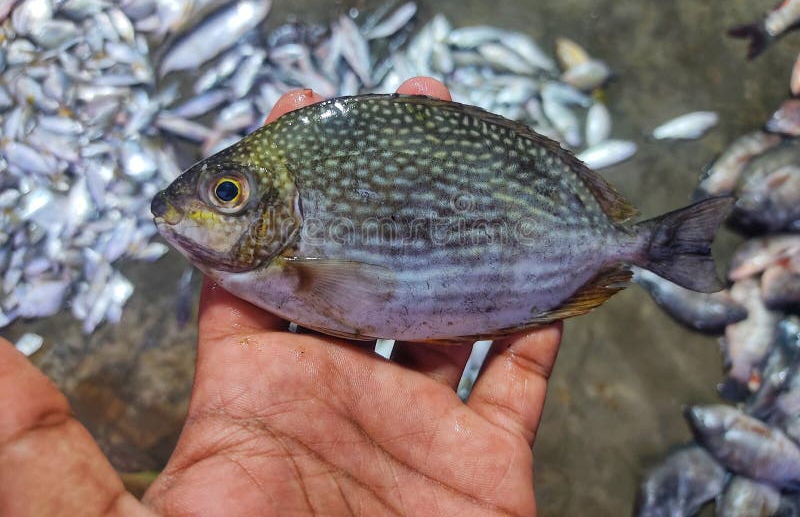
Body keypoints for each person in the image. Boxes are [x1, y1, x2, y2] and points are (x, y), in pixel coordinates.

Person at [0, 77, 562, 516]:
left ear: (282, 205)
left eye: (227, 194)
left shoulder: (286, 267)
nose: (188, 215)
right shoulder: (269, 268)